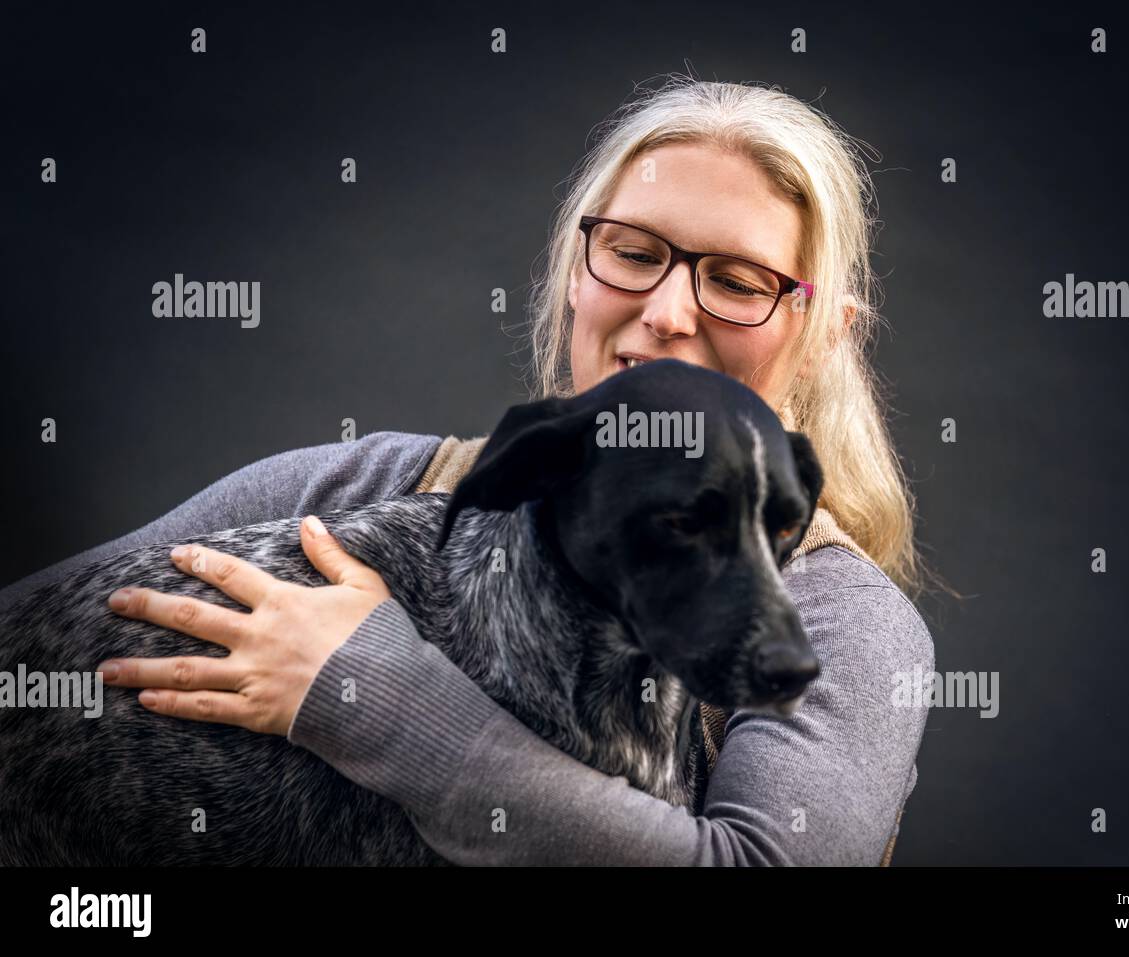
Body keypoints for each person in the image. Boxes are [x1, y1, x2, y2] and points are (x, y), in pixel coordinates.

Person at [0, 76, 942, 865]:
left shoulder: (841, 619)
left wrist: (368, 691)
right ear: (577, 273)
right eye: (633, 253)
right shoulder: (356, 489)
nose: (665, 310)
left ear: (820, 336)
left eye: (737, 280)